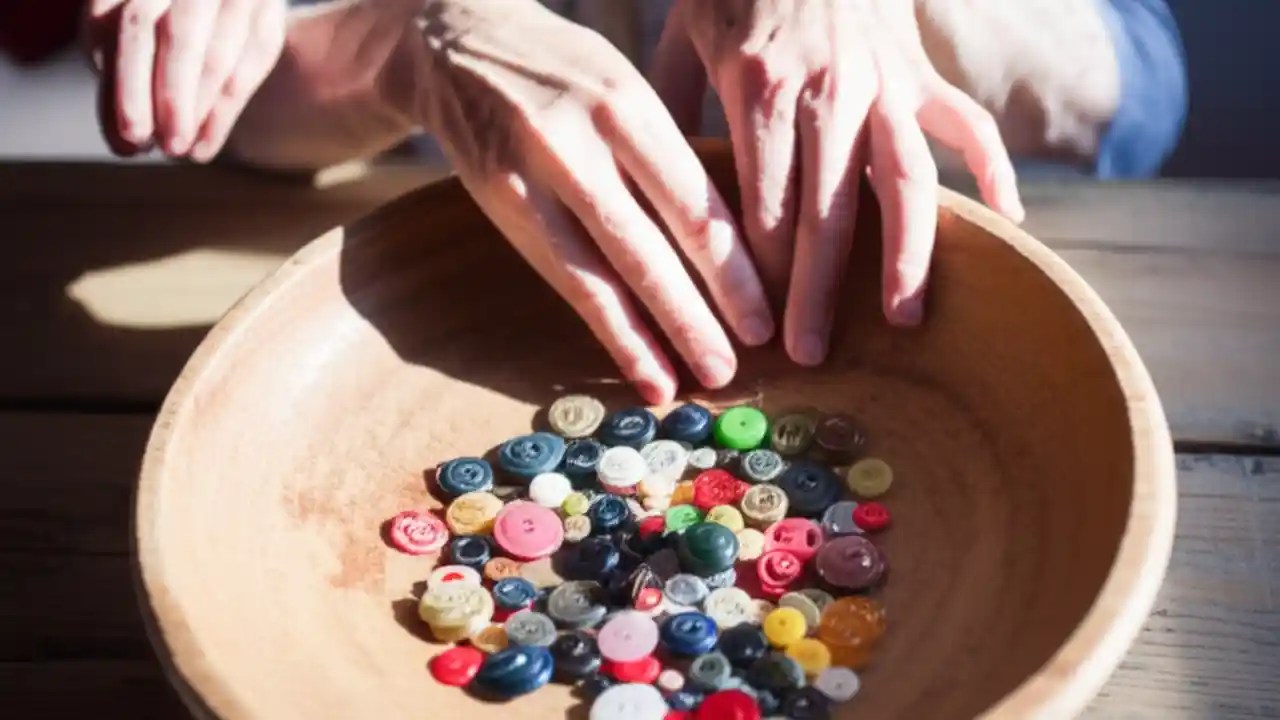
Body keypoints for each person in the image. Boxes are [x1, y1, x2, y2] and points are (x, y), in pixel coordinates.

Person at [83, 0, 1187, 405]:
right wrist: (406, 41)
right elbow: (226, 117)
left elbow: (1134, 100)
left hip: (941, 326)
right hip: (485, 309)